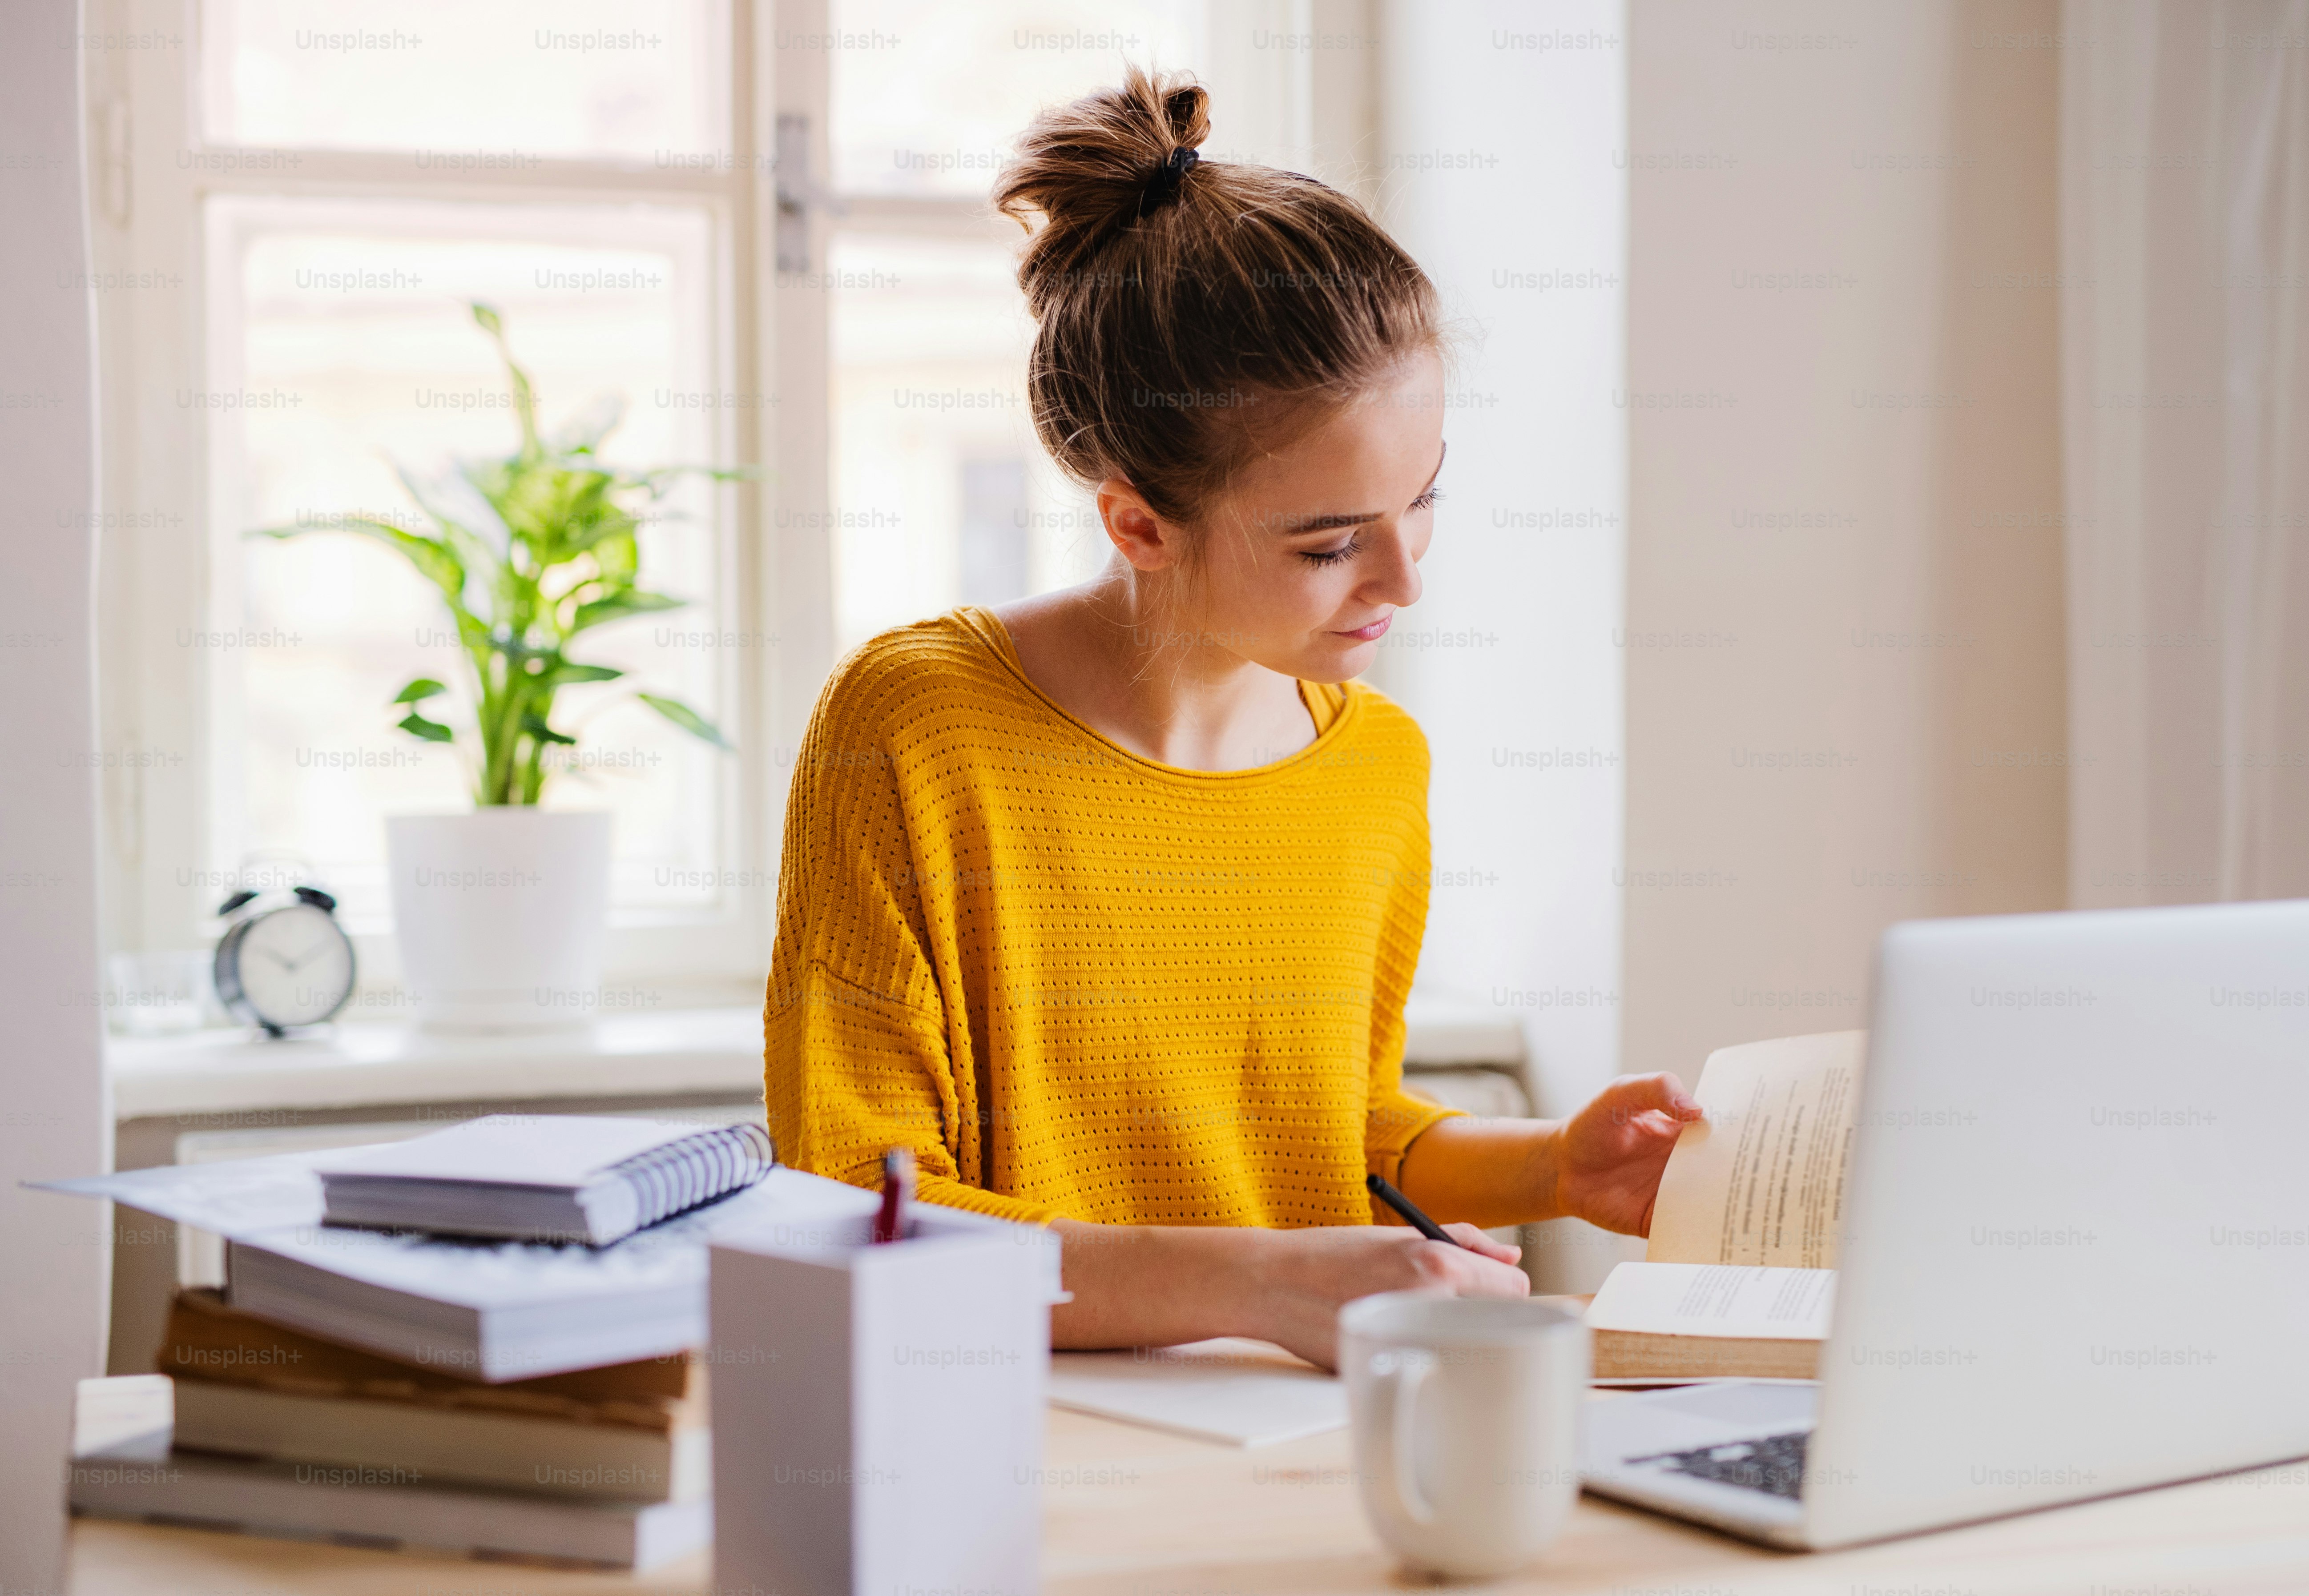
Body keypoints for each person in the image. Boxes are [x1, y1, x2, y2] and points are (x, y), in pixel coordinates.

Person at [763, 67, 1700, 1369]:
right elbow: (860, 1216)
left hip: (1303, 1435)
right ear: (1139, 523)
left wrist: (1554, 1166)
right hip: (1010, 1440)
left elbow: (1328, 1126)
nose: (1406, 579)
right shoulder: (917, 728)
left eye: (1425, 500)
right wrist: (1264, 1288)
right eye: (1329, 546)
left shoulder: (1376, 765)